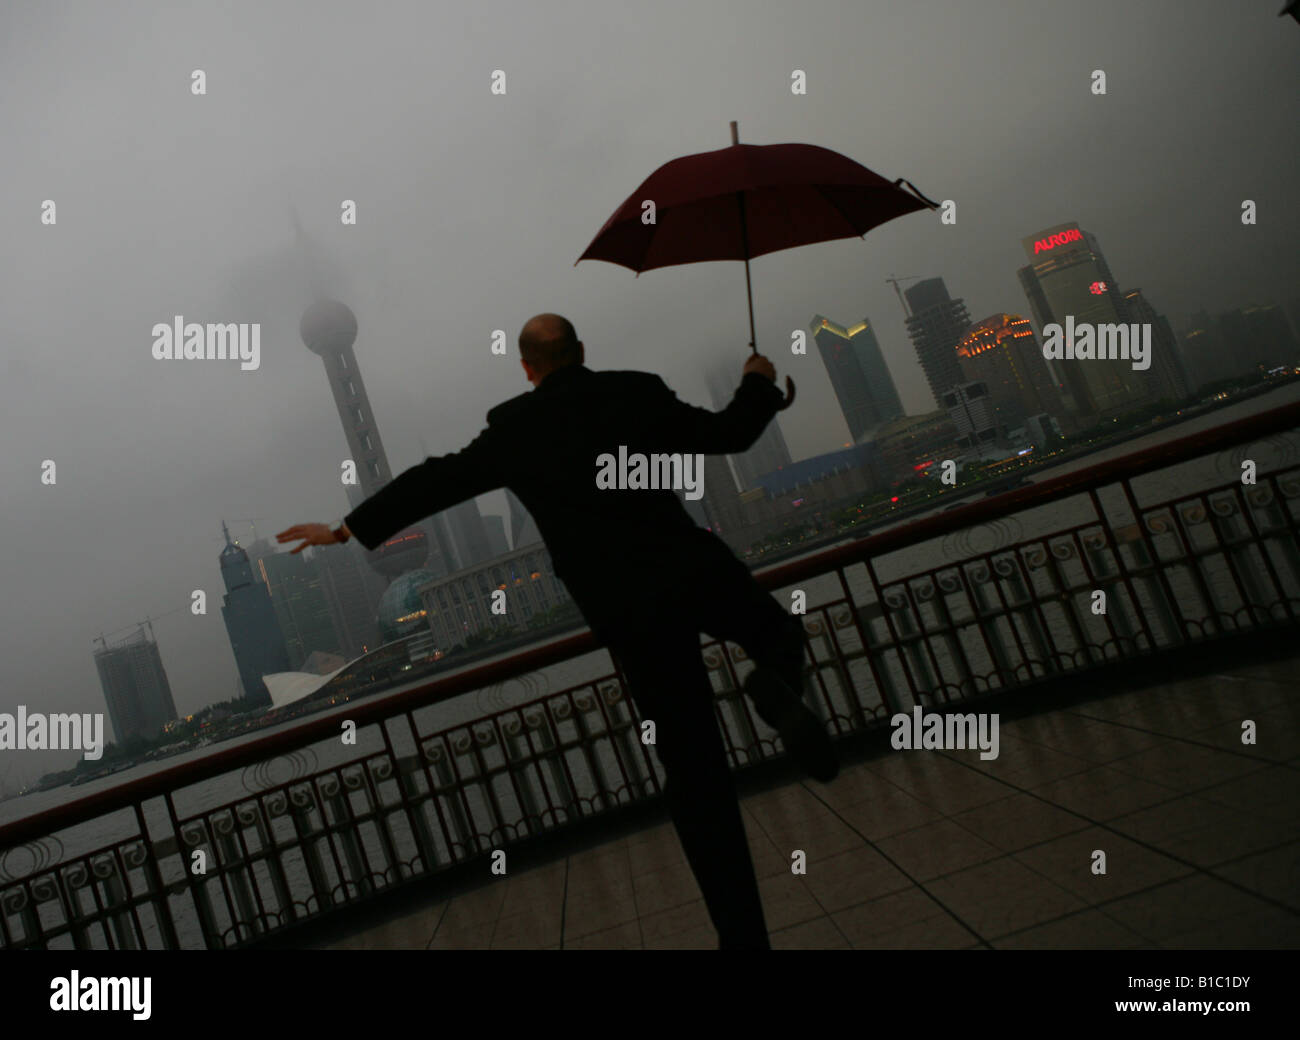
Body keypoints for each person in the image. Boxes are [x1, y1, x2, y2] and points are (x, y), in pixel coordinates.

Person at [277, 313, 838, 949]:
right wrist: (759, 384)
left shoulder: (515, 429)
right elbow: (730, 435)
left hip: (627, 610)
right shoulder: (635, 390)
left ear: (526, 367)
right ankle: (771, 679)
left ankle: (744, 939)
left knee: (694, 768)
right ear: (581, 352)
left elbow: (436, 479)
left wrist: (348, 528)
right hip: (692, 568)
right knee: (777, 633)